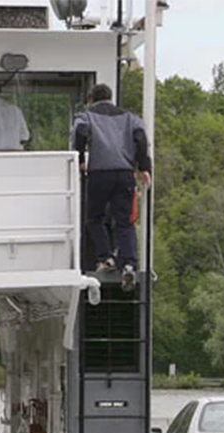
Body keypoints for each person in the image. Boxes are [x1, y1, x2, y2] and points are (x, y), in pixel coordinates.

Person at [71, 83, 152, 292]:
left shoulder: (87, 116)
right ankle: (129, 264)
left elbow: (80, 131)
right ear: (110, 97)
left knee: (94, 218)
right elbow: (141, 138)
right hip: (125, 174)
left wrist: (80, 158)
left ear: (91, 99)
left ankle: (106, 258)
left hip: (99, 173)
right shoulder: (129, 117)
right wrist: (144, 167)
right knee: (124, 222)